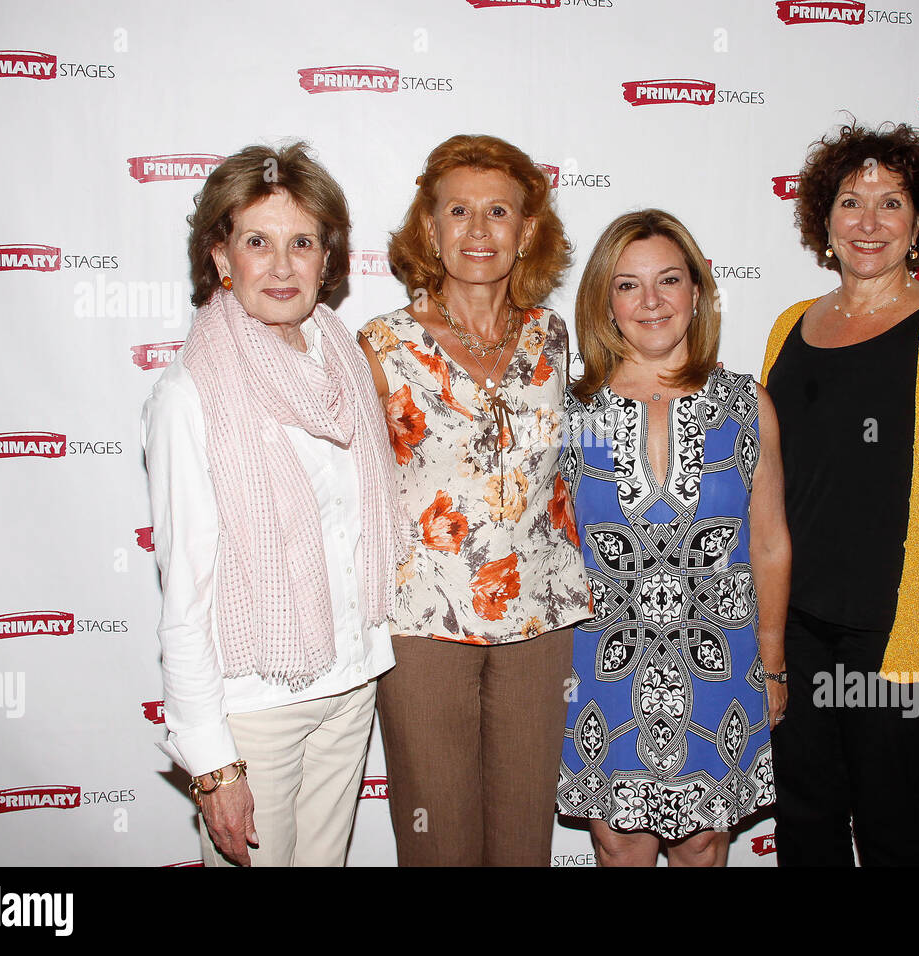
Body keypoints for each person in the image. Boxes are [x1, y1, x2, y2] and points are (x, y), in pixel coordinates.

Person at [761, 120, 919, 866]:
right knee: (805, 828)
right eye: (850, 201)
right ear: (825, 221)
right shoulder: (788, 327)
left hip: (899, 643)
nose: (868, 221)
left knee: (893, 831)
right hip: (793, 631)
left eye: (891, 202)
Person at [142, 142, 404, 867]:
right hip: (255, 707)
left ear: (328, 258)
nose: (283, 266)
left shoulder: (345, 362)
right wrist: (212, 764)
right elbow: (185, 598)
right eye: (257, 241)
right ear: (222, 257)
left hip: (351, 682)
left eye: (302, 242)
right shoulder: (189, 396)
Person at [357, 134, 591, 866]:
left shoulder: (552, 337)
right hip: (423, 622)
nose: (479, 230)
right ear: (429, 228)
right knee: (438, 841)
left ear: (528, 231)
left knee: (524, 839)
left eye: (499, 212)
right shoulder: (381, 345)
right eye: (458, 211)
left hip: (541, 621)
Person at [556, 209, 791, 867]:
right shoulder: (571, 413)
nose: (651, 301)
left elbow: (770, 543)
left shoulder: (748, 405)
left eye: (668, 280)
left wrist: (772, 664)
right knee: (619, 842)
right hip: (601, 665)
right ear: (604, 298)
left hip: (720, 662)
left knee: (703, 843)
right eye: (628, 285)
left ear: (697, 291)